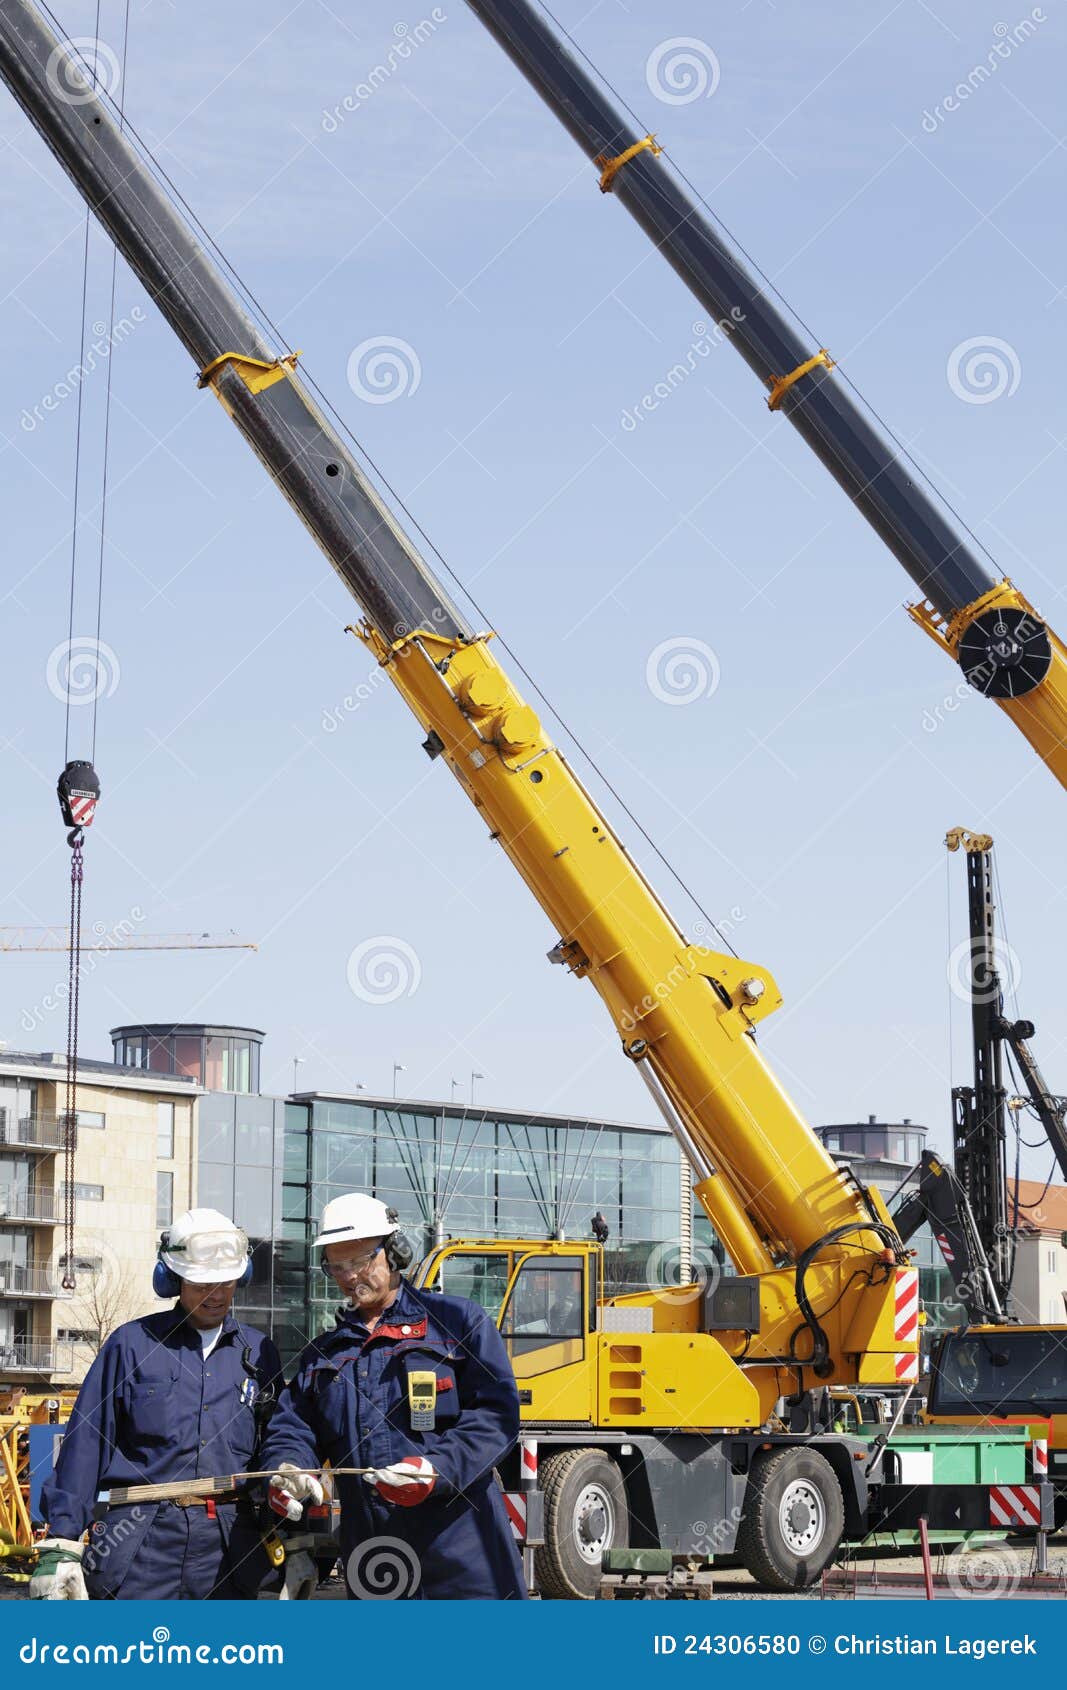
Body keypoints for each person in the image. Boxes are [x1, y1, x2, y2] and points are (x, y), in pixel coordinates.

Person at [260, 1193, 526, 1601]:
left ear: (394, 1253)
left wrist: (437, 1469)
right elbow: (294, 1427)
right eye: (337, 1266)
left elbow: (496, 1416)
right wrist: (289, 1468)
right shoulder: (324, 1355)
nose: (349, 1277)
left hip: (464, 1554)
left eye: (360, 1261)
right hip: (375, 1557)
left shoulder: (457, 1323)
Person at [32, 1209, 282, 1600]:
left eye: (226, 1283)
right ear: (173, 1279)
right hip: (139, 1547)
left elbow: (278, 1447)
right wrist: (61, 1542)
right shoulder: (131, 1346)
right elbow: (86, 1445)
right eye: (201, 1284)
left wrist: (296, 1540)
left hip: (233, 1549)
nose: (216, 1295)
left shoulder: (260, 1354)